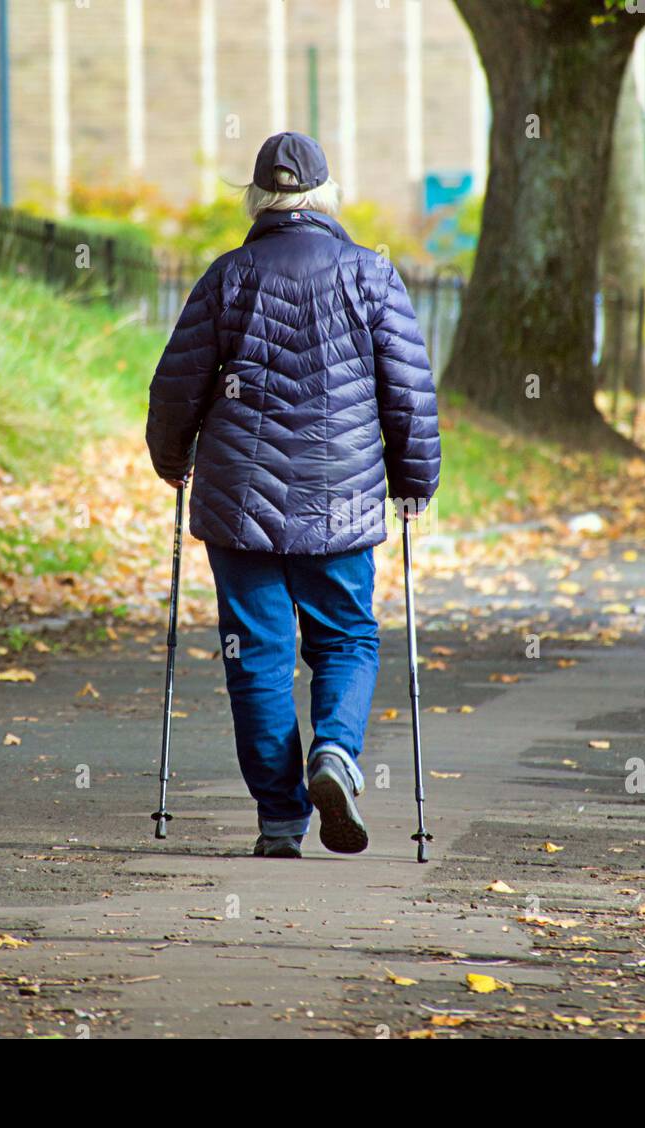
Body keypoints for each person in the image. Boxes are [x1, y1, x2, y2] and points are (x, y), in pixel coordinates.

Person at [146, 132, 440, 860]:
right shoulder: (371, 275)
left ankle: (280, 820)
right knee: (345, 636)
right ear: (325, 197)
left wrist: (170, 459)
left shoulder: (228, 276)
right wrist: (415, 479)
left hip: (239, 503)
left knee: (258, 656)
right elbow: (408, 391)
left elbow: (176, 386)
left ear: (257, 198)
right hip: (340, 498)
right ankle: (335, 755)